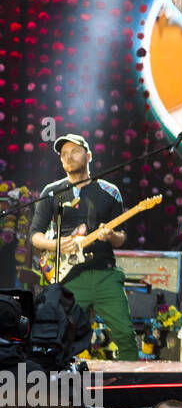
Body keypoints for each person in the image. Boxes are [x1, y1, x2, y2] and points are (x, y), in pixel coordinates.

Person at [30, 135, 139, 361]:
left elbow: (122, 238)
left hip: (105, 275)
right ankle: (62, 387)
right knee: (62, 336)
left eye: (74, 151)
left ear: (89, 156)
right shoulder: (52, 192)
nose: (68, 157)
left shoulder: (110, 191)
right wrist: (55, 244)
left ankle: (133, 388)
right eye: (63, 154)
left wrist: (110, 235)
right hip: (69, 278)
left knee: (126, 336)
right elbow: (35, 235)